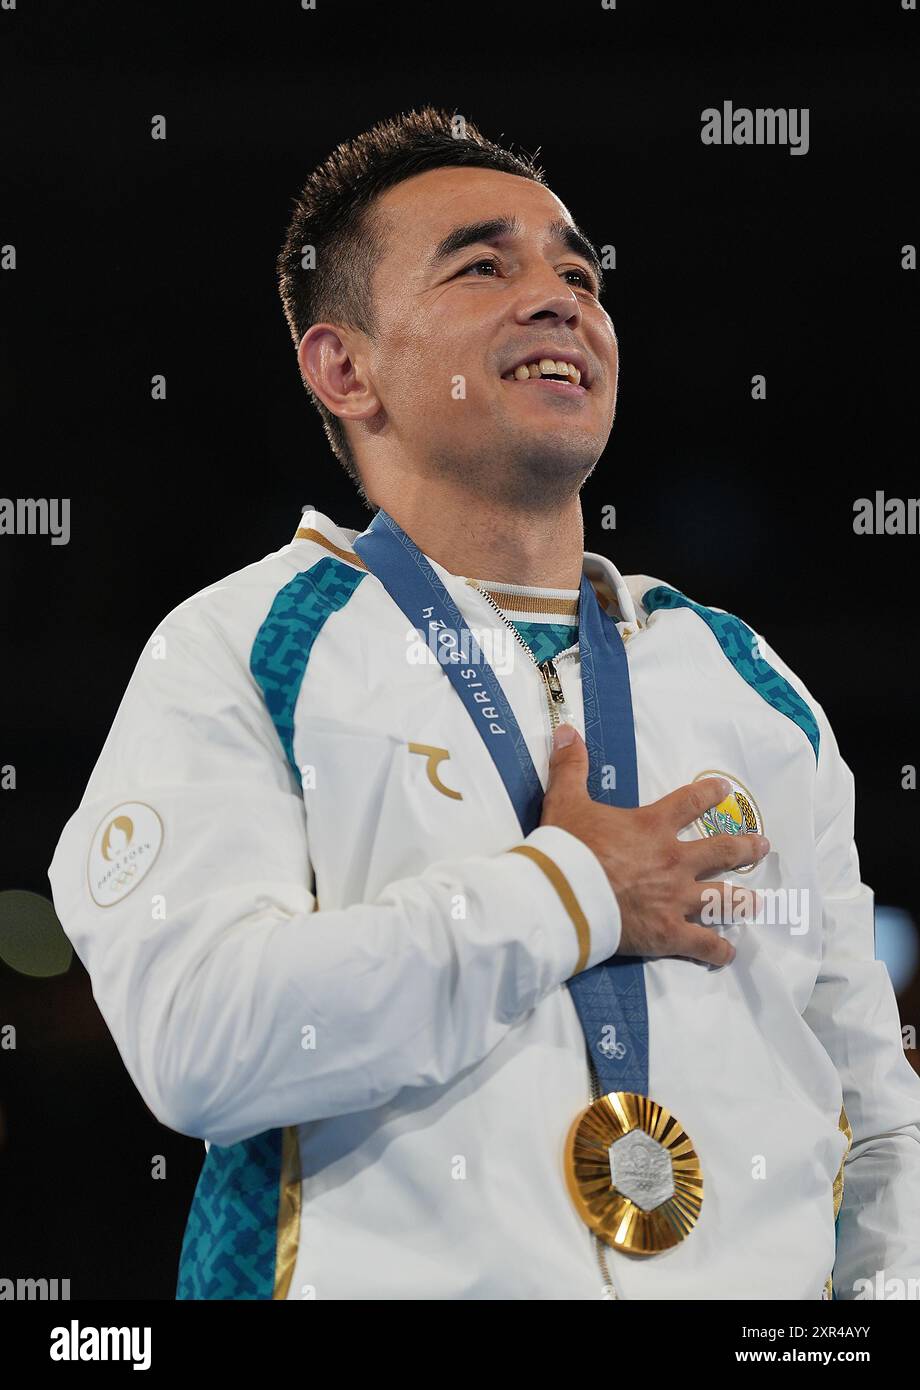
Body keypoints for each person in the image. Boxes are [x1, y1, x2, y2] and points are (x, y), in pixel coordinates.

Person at [48, 106, 920, 1300]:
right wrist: (570, 892)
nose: (562, 297)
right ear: (343, 366)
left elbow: (875, 1107)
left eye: (579, 273)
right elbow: (203, 1042)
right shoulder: (239, 648)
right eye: (482, 265)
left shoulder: (744, 680)